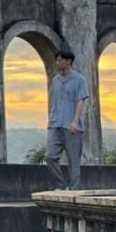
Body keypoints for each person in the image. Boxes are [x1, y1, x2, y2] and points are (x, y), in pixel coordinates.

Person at [46, 49, 89, 190]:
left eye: (60, 60)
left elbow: (80, 101)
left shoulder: (79, 80)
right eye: (56, 60)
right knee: (51, 157)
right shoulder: (55, 80)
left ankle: (74, 191)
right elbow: (53, 101)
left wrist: (75, 121)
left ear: (68, 61)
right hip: (55, 124)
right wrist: (51, 120)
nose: (57, 63)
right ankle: (61, 186)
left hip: (72, 127)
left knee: (73, 161)